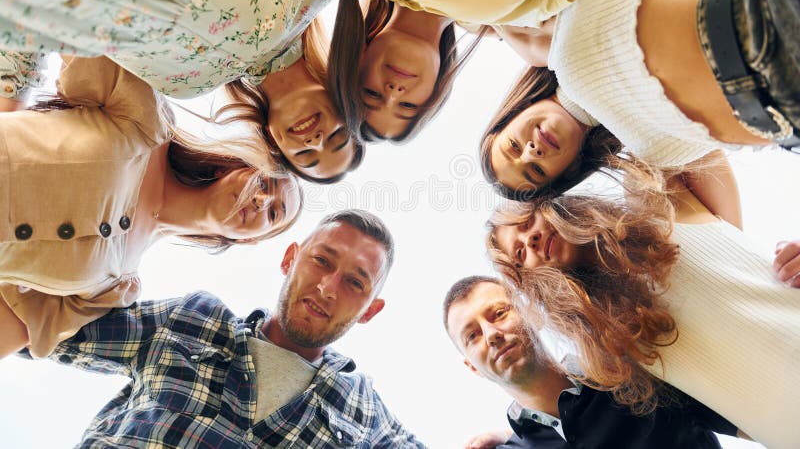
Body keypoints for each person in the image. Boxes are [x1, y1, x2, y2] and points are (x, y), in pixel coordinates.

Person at [275, 0, 738, 143]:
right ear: (438, 87)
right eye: (408, 104)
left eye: (373, 94)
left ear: (354, 59)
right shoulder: (525, 8)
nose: (396, 89)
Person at [17, 210, 425, 448]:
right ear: (290, 259)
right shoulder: (193, 319)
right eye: (322, 260)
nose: (326, 287)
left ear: (370, 311)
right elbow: (49, 328)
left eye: (355, 283)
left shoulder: (366, 413)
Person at [0, 0, 362, 181]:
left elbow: (80, 26)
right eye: (337, 136)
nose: (315, 140)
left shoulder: (186, 87)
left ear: (274, 141)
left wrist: (11, 93)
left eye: (307, 158)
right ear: (348, 100)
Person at [0, 56, 302, 360]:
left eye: (274, 213)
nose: (262, 201)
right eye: (265, 183)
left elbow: (14, 319)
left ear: (249, 239)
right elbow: (75, 25)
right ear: (240, 166)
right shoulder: (145, 120)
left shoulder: (114, 287)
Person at [482, 0, 800, 199]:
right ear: (569, 170)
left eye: (513, 147)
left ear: (513, 113)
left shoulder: (549, 28)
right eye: (536, 171)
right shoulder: (649, 157)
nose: (531, 153)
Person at [485, 170, 800, 448]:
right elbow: (732, 415)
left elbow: (735, 246)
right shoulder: (619, 347)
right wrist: (513, 442)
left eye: (526, 224)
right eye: (520, 253)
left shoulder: (655, 204)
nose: (533, 239)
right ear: (532, 280)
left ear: (547, 201)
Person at [443, 275, 739, 449]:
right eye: (472, 336)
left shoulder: (632, 373)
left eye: (499, 313)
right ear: (471, 367)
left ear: (531, 313)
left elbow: (756, 418)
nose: (492, 334)